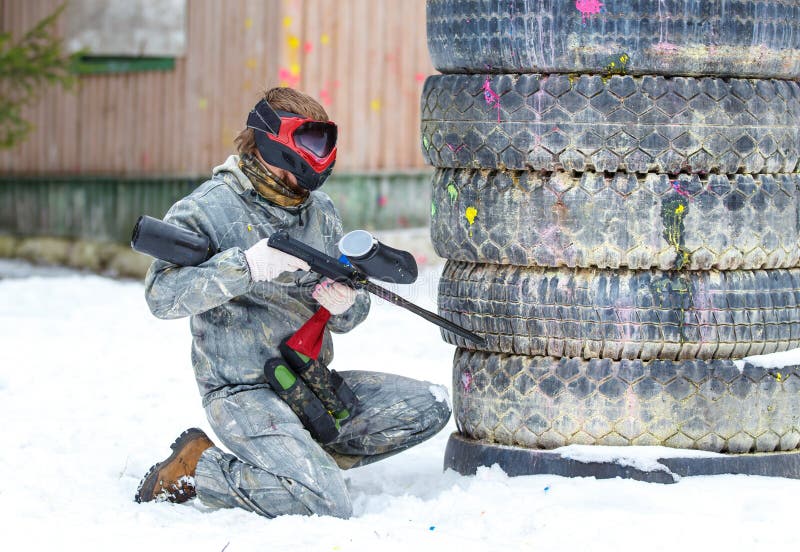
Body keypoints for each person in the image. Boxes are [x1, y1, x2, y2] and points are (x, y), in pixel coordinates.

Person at [133, 87, 451, 518]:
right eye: (299, 159)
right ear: (269, 144)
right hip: (244, 392)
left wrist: (345, 304)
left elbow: (347, 315)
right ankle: (198, 470)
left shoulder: (320, 211)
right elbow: (161, 297)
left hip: (310, 385)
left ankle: (304, 464)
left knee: (430, 405)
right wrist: (245, 267)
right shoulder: (208, 208)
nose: (303, 179)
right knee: (328, 503)